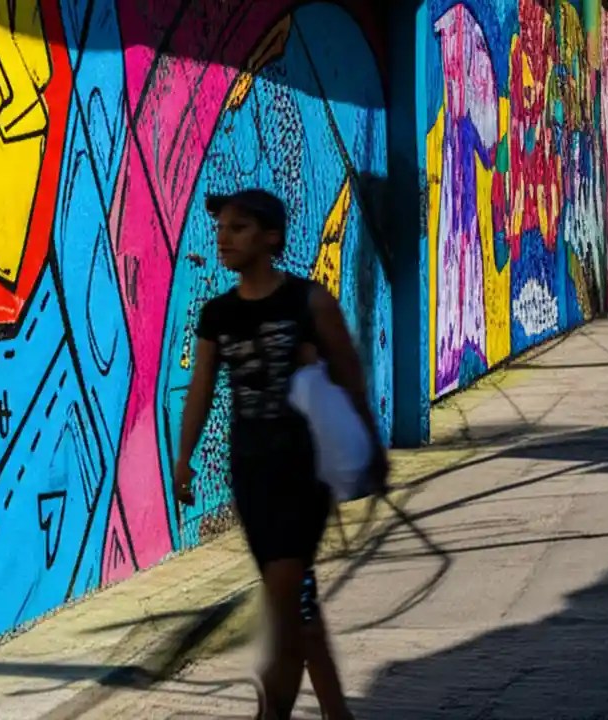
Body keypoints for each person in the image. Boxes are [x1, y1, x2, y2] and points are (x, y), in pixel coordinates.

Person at [174, 189, 388, 720]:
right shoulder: (217, 315)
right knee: (296, 604)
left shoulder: (308, 302)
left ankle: (272, 713)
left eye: (239, 228)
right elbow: (201, 387)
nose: (223, 237)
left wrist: (372, 448)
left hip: (301, 471)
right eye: (221, 227)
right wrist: (184, 458)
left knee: (283, 600)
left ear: (271, 237)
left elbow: (349, 374)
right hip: (250, 471)